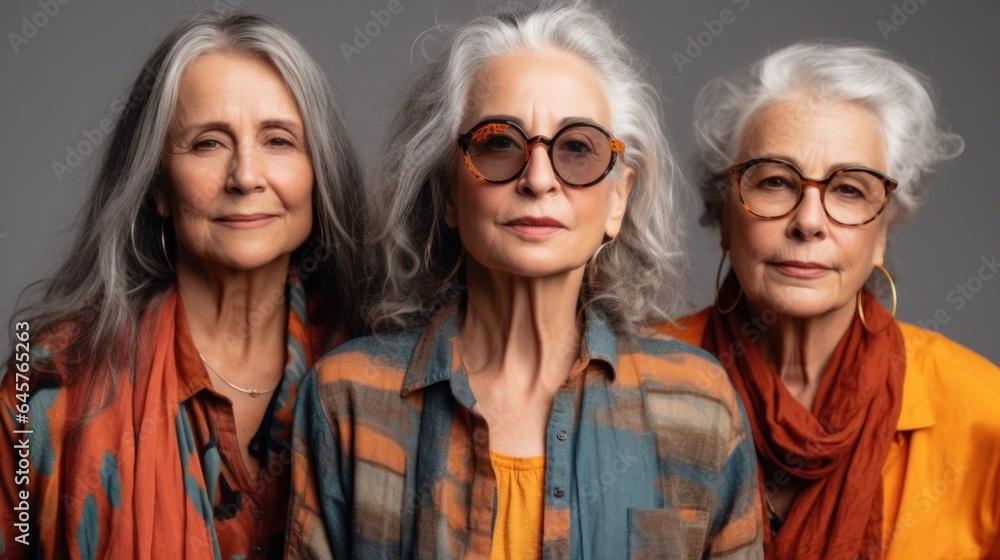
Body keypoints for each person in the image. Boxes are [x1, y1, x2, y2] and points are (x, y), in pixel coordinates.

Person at [285, 2, 763, 559]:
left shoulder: (699, 408)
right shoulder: (349, 398)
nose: (538, 180)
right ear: (448, 194)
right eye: (499, 143)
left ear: (619, 199)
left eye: (578, 149)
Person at [0, 13, 363, 559]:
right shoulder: (46, 387)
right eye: (208, 144)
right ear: (159, 188)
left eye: (279, 141)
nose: (245, 176)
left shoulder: (373, 372)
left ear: (319, 174)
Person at [660, 40, 1000, 559]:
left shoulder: (985, 414)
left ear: (883, 230)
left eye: (849, 190)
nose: (809, 222)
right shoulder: (633, 381)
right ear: (725, 216)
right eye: (775, 181)